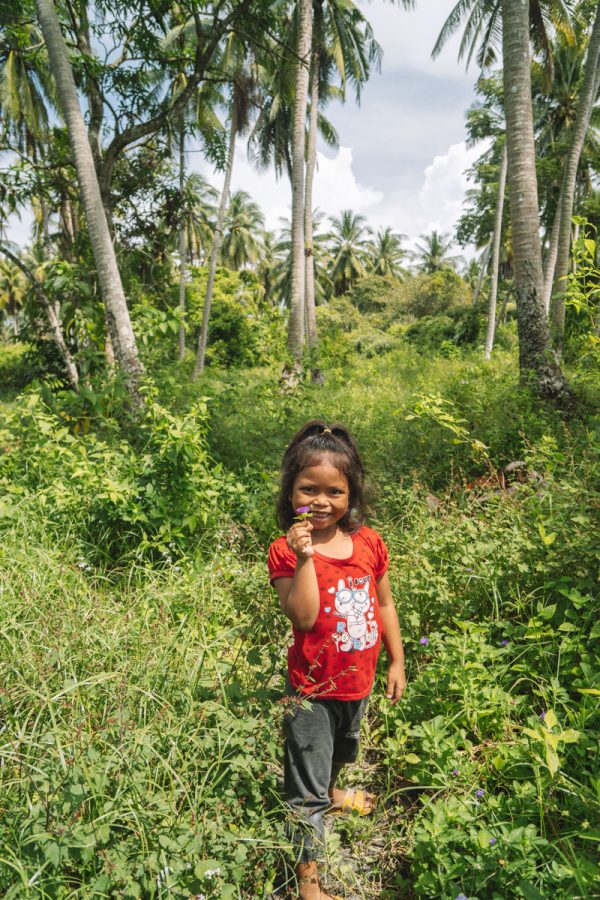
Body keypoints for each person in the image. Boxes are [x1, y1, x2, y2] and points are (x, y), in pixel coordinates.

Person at [267, 420, 406, 900]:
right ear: (291, 492)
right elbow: (304, 618)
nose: (321, 501)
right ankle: (308, 886)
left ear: (352, 493)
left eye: (335, 491)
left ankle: (330, 793)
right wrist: (305, 557)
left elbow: (385, 603)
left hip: (357, 685)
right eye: (309, 489)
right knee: (303, 790)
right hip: (311, 692)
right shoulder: (285, 552)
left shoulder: (368, 542)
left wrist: (397, 661)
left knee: (342, 754)